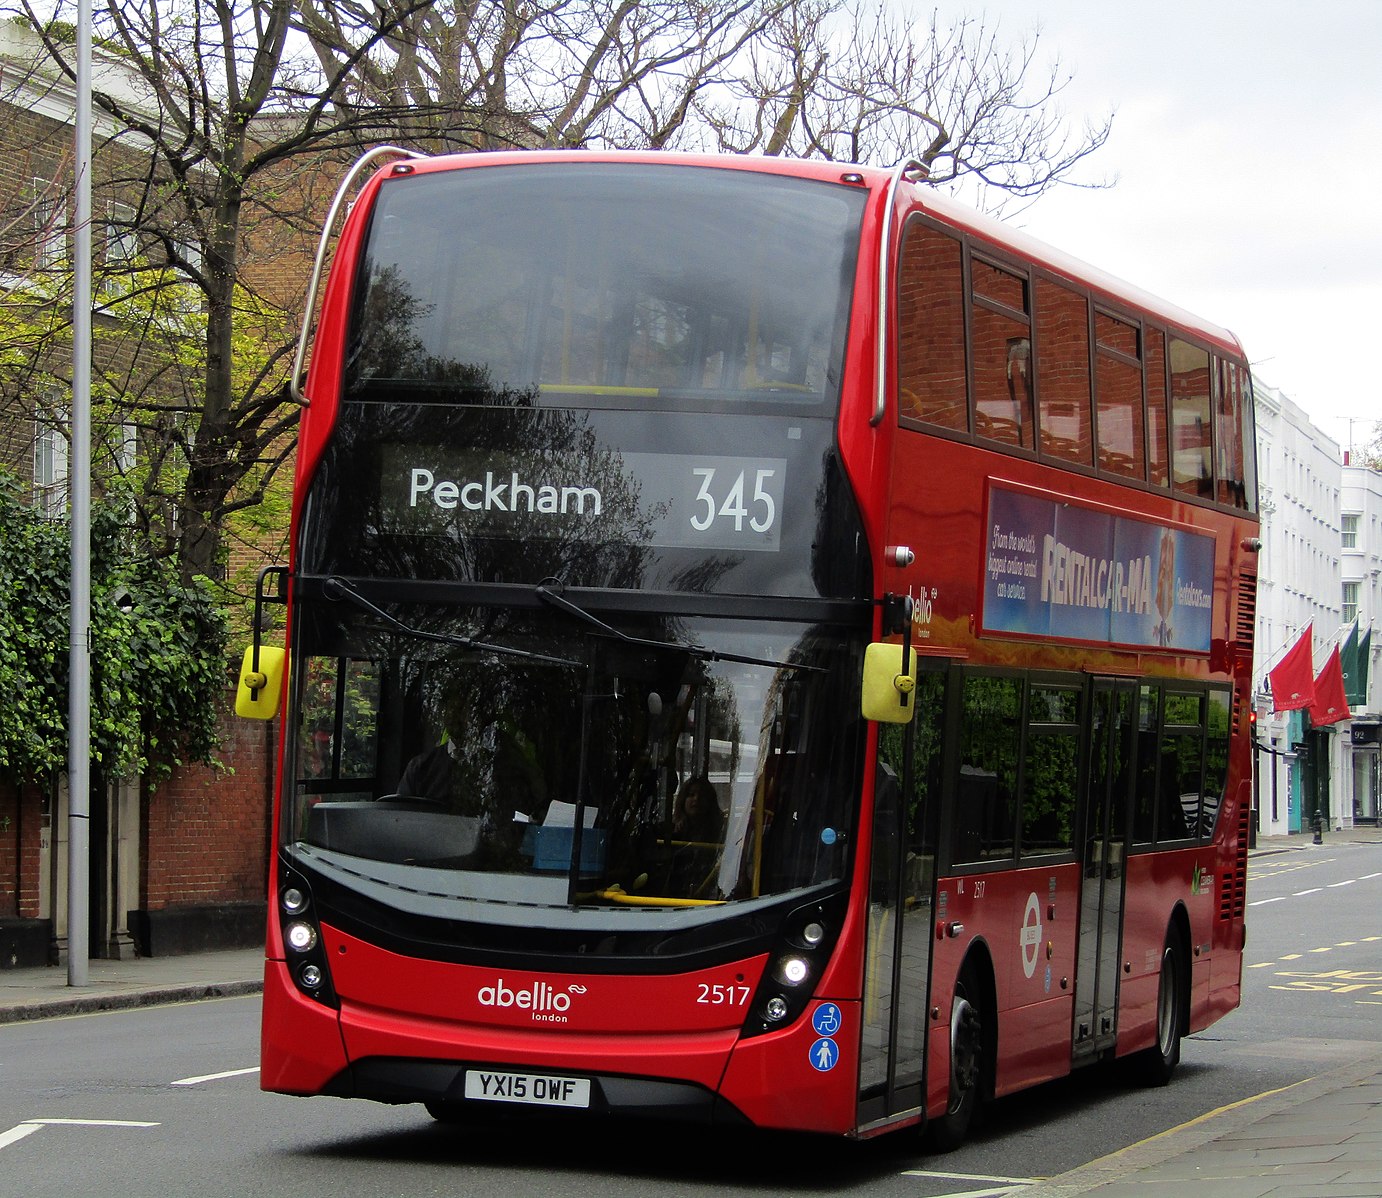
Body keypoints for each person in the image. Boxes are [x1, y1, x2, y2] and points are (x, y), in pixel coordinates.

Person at [671, 774, 722, 843]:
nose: (696, 798)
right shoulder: (669, 829)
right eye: (691, 794)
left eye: (702, 795)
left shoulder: (721, 831)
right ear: (683, 800)